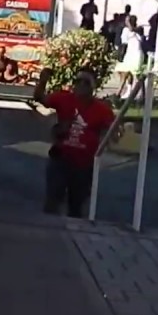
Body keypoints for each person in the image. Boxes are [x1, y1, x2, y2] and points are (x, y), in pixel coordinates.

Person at [33, 68, 114, 218]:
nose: (81, 85)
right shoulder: (64, 99)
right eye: (78, 81)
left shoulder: (102, 109)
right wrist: (43, 80)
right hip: (60, 158)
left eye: (86, 82)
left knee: (76, 205)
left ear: (93, 87)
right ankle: (50, 231)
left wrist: (109, 138)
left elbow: (114, 131)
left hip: (83, 164)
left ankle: (74, 233)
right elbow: (39, 98)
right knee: (52, 200)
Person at [114, 15, 144, 98]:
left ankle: (142, 94)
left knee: (137, 75)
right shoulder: (125, 30)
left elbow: (133, 30)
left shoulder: (139, 29)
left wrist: (128, 23)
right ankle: (121, 93)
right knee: (124, 73)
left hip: (137, 54)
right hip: (129, 53)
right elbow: (124, 42)